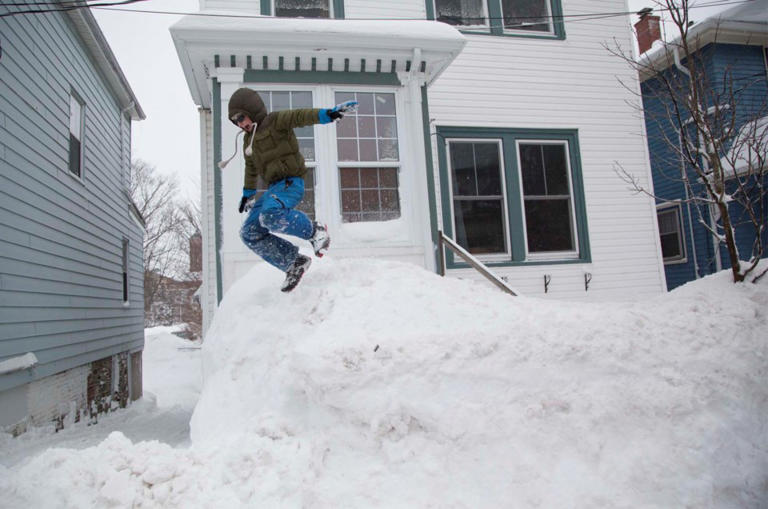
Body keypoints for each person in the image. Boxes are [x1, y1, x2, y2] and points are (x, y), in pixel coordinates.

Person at [219, 88, 356, 292]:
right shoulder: (249, 140)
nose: (240, 124)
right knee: (249, 232)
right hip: (273, 190)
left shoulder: (276, 121)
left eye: (241, 117)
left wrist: (327, 114)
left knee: (270, 216)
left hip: (291, 182)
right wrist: (248, 194)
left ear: (252, 110)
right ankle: (293, 262)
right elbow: (251, 168)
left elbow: (300, 116)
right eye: (235, 121)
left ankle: (315, 231)